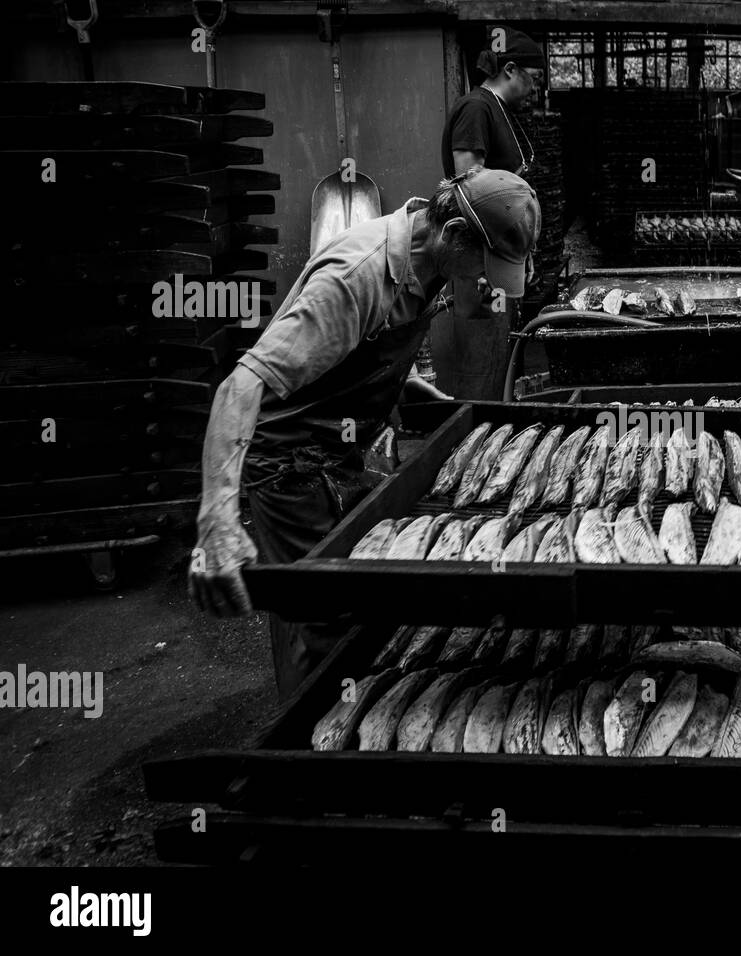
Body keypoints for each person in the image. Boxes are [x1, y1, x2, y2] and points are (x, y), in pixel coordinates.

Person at [189, 168, 541, 699]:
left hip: (339, 453)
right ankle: (310, 748)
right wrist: (215, 521)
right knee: (325, 622)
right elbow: (238, 389)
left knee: (348, 603)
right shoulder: (354, 278)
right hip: (290, 467)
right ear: (454, 237)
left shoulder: (427, 262)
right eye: (486, 268)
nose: (489, 284)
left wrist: (408, 387)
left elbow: (361, 349)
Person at [433, 26, 546, 401]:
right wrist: (490, 266)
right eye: (534, 77)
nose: (536, 86)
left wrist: (521, 249)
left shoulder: (495, 109)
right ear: (510, 69)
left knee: (500, 351)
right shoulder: (476, 108)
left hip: (500, 252)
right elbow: (471, 188)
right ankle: (476, 431)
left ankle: (496, 418)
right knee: (484, 349)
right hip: (481, 257)